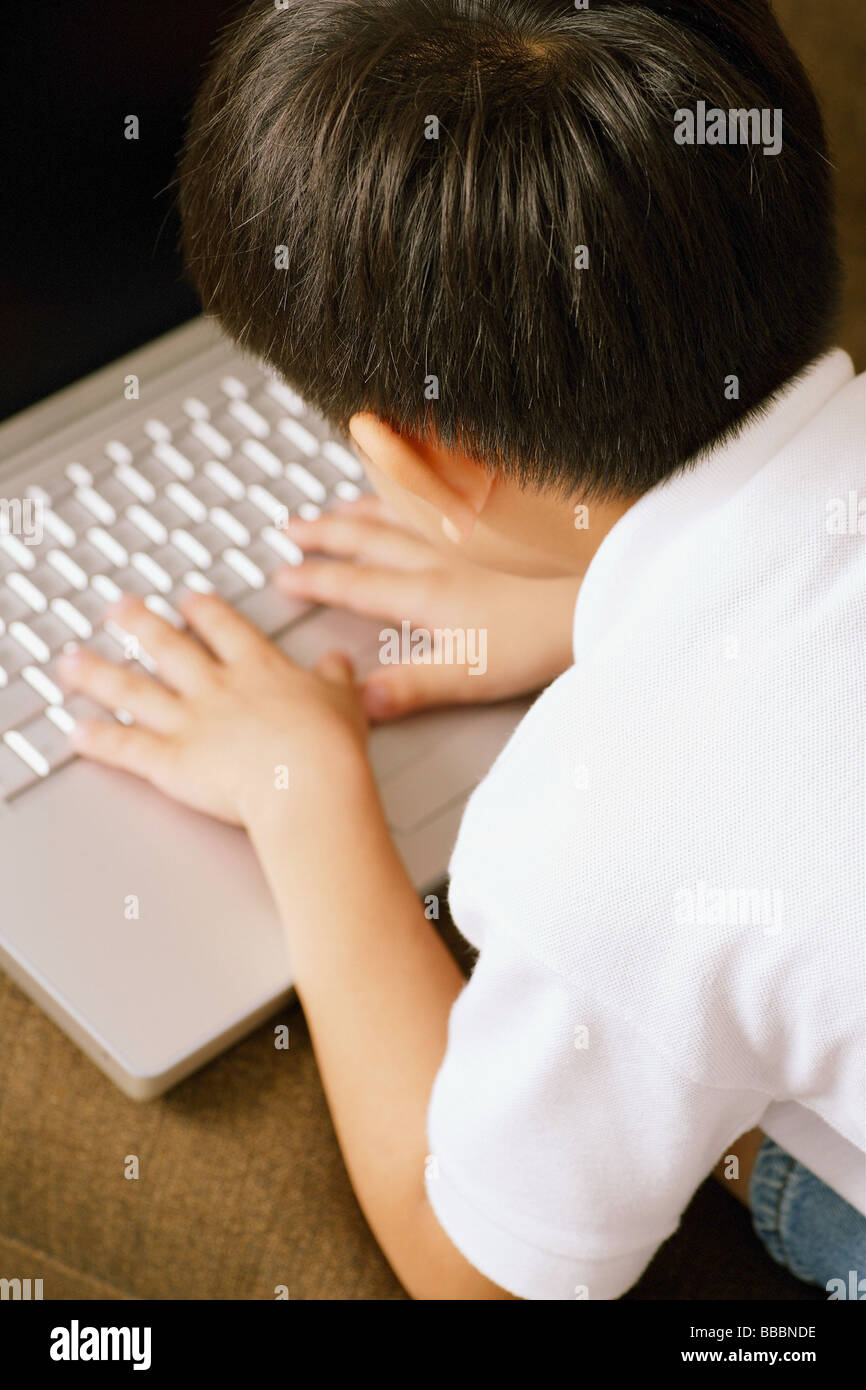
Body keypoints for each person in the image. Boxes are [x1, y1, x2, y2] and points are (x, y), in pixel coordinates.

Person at [58, 0, 864, 1298]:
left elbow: (477, 1272)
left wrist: (303, 797)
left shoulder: (597, 836)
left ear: (418, 460)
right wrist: (590, 597)